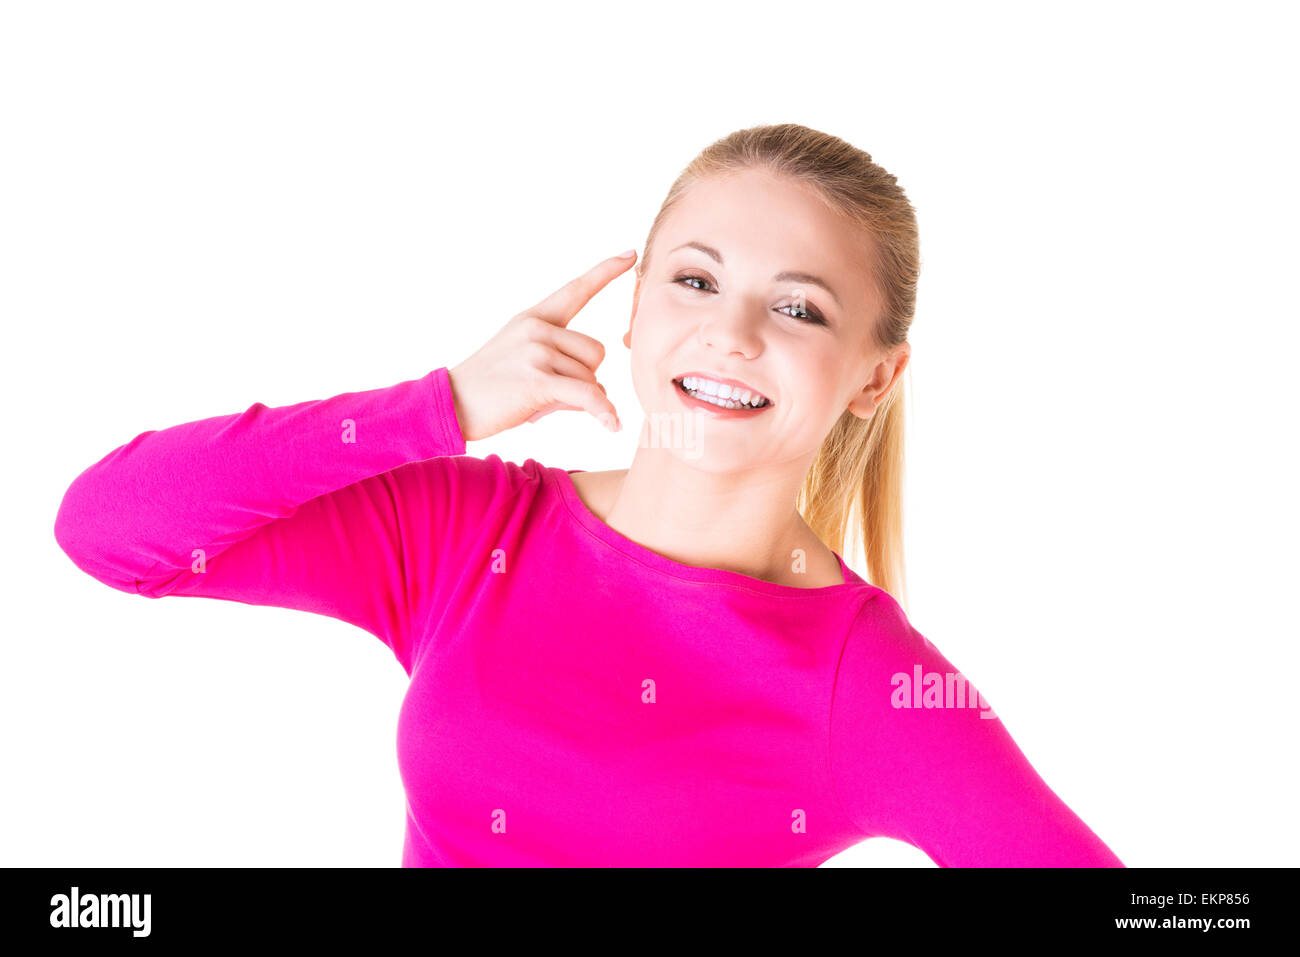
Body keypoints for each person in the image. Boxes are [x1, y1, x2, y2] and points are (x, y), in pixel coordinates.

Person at [54, 123, 1124, 867]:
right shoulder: (468, 533)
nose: (731, 334)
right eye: (694, 281)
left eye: (797, 310)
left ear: (873, 377)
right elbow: (111, 532)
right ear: (636, 311)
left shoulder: (864, 684)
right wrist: (442, 406)